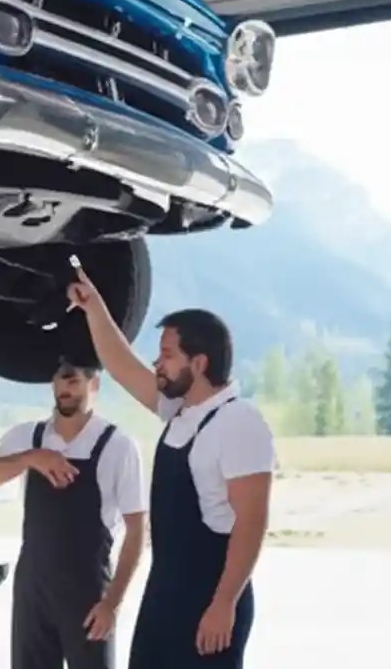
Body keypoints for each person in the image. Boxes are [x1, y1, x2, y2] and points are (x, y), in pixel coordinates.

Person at [67, 268, 276, 669]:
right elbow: (121, 364)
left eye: (166, 355)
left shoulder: (239, 423)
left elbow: (252, 523)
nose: (156, 364)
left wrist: (223, 604)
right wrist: (92, 305)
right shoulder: (181, 413)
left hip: (210, 602)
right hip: (164, 596)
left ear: (198, 363)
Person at [0, 360, 148, 669]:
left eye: (73, 381)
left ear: (94, 384)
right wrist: (31, 458)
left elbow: (137, 530)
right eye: (59, 382)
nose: (64, 390)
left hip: (88, 594)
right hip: (33, 590)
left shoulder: (118, 446)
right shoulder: (30, 437)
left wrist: (112, 603)